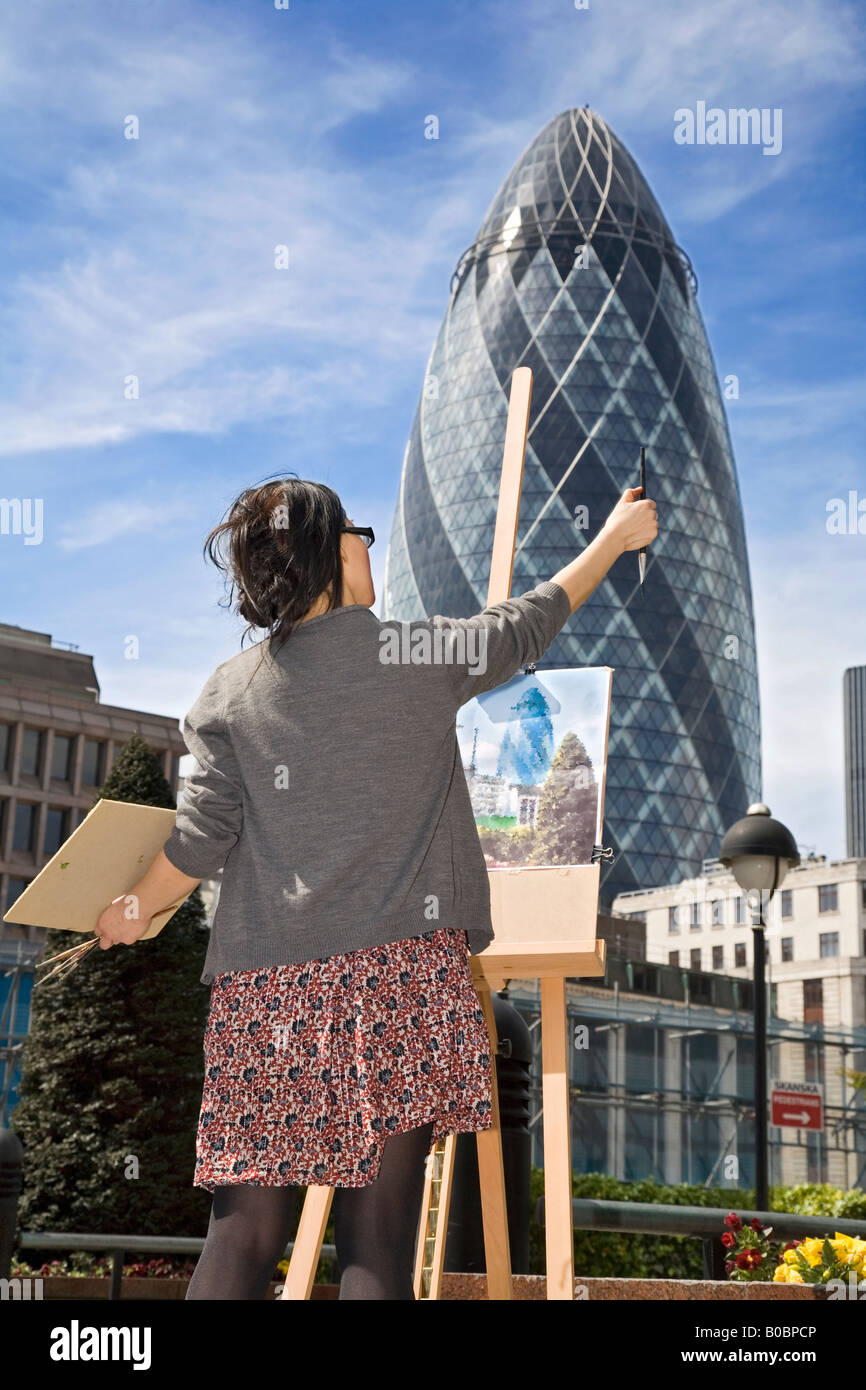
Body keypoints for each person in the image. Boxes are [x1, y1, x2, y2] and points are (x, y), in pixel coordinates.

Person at [94, 474, 657, 1300]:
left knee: (243, 1232)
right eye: (358, 530)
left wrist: (130, 911)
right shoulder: (412, 654)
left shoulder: (228, 692)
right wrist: (612, 538)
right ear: (331, 553)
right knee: (379, 1241)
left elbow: (199, 840)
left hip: (267, 994)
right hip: (401, 979)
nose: (371, 544)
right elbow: (530, 619)